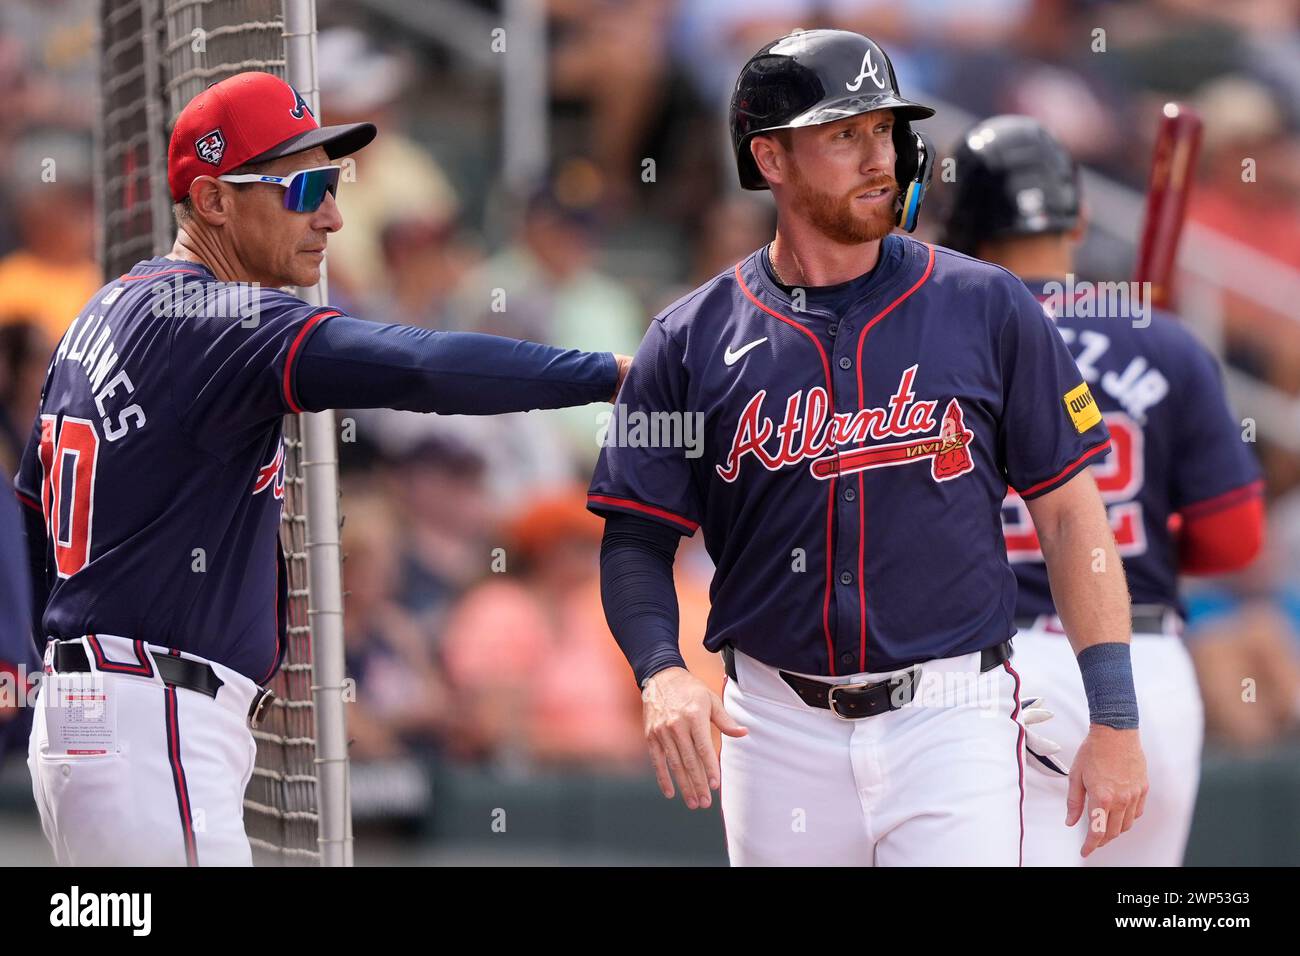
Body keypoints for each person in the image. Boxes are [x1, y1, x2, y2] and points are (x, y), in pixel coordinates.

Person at [16, 71, 630, 867]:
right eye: (304, 187)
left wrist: (66, 671)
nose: (333, 216)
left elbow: (33, 510)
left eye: (333, 183)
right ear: (213, 201)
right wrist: (608, 373)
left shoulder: (105, 310)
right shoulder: (216, 317)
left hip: (98, 714)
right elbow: (419, 368)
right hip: (151, 720)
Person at [589, 29, 1146, 866]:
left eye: (883, 130)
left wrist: (1115, 716)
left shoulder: (986, 305)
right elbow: (635, 536)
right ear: (770, 159)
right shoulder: (686, 337)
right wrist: (661, 668)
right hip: (772, 726)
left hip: (952, 714)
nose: (877, 156)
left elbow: (1072, 516)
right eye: (844, 134)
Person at [938, 114, 1264, 865]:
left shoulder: (940, 342)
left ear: (956, 229)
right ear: (1080, 216)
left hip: (1000, 669)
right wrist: (1130, 540)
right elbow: (1238, 537)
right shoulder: (1164, 338)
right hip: (1147, 669)